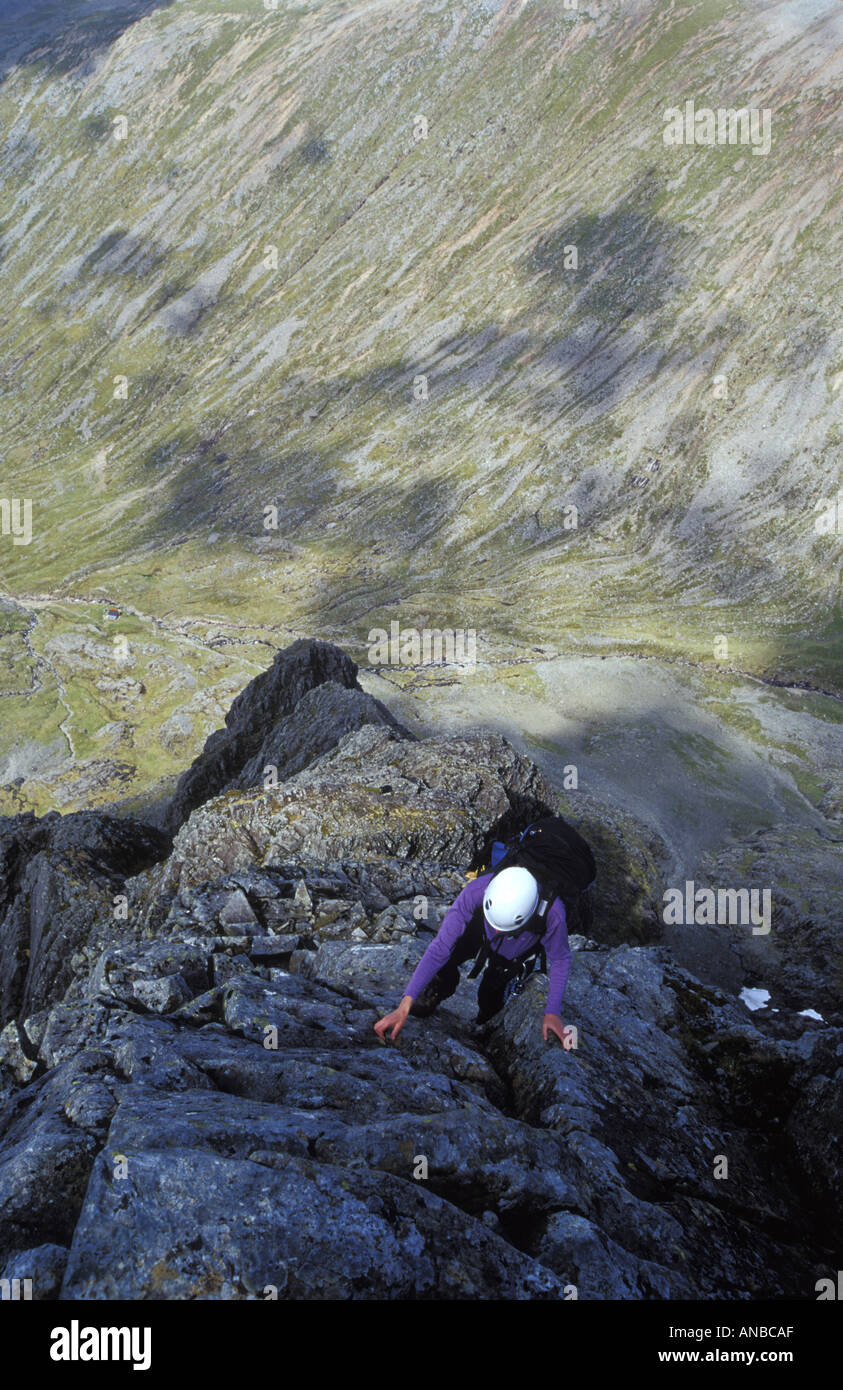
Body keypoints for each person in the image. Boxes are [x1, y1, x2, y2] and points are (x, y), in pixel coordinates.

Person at [373, 864, 573, 1046]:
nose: (496, 933)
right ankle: (437, 988)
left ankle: (486, 1023)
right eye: (495, 926)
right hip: (479, 926)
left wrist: (552, 1011)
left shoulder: (553, 914)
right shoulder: (476, 890)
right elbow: (440, 947)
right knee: (450, 957)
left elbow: (560, 959)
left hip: (517, 947)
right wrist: (405, 1004)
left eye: (502, 930)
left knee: (491, 993)